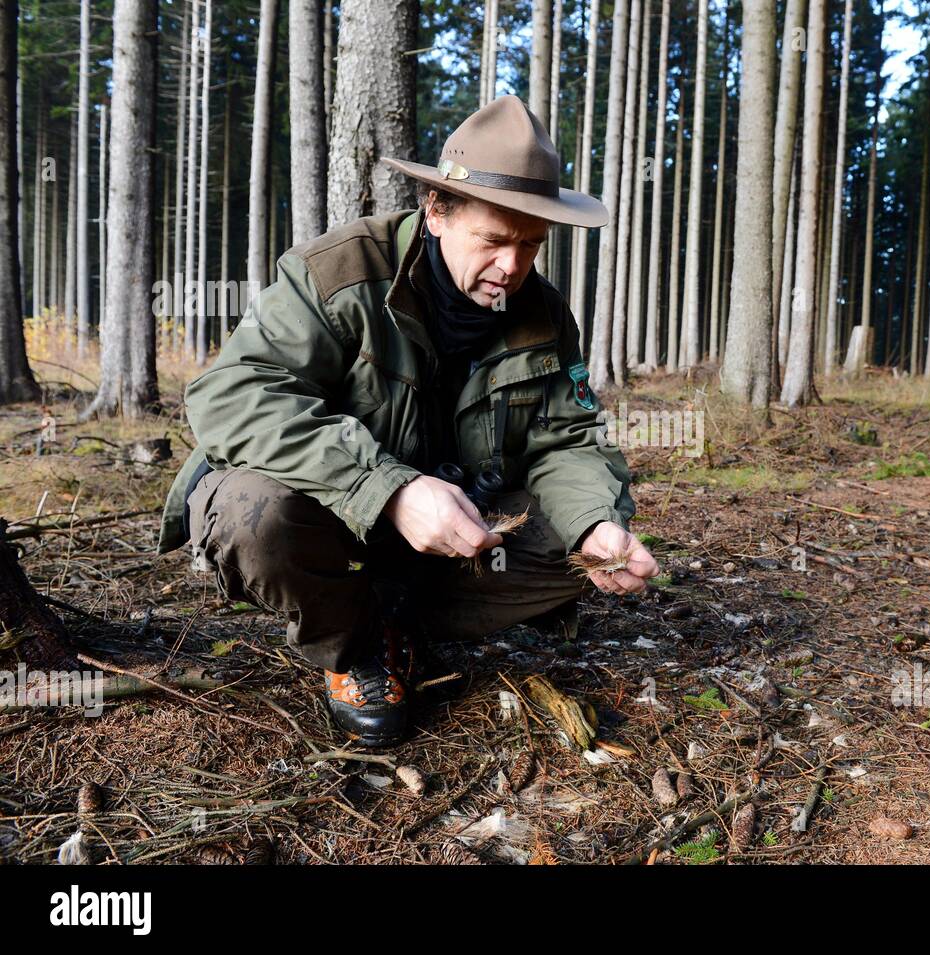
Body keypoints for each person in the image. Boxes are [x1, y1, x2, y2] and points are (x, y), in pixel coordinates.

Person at [156, 95, 659, 746]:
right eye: (495, 240)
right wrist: (388, 489)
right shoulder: (339, 274)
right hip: (330, 516)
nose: (512, 267)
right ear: (438, 212)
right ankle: (355, 638)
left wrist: (594, 521)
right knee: (258, 512)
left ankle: (400, 608)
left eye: (531, 244)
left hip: (457, 527)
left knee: (572, 540)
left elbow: (567, 436)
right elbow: (232, 393)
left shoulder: (543, 312)